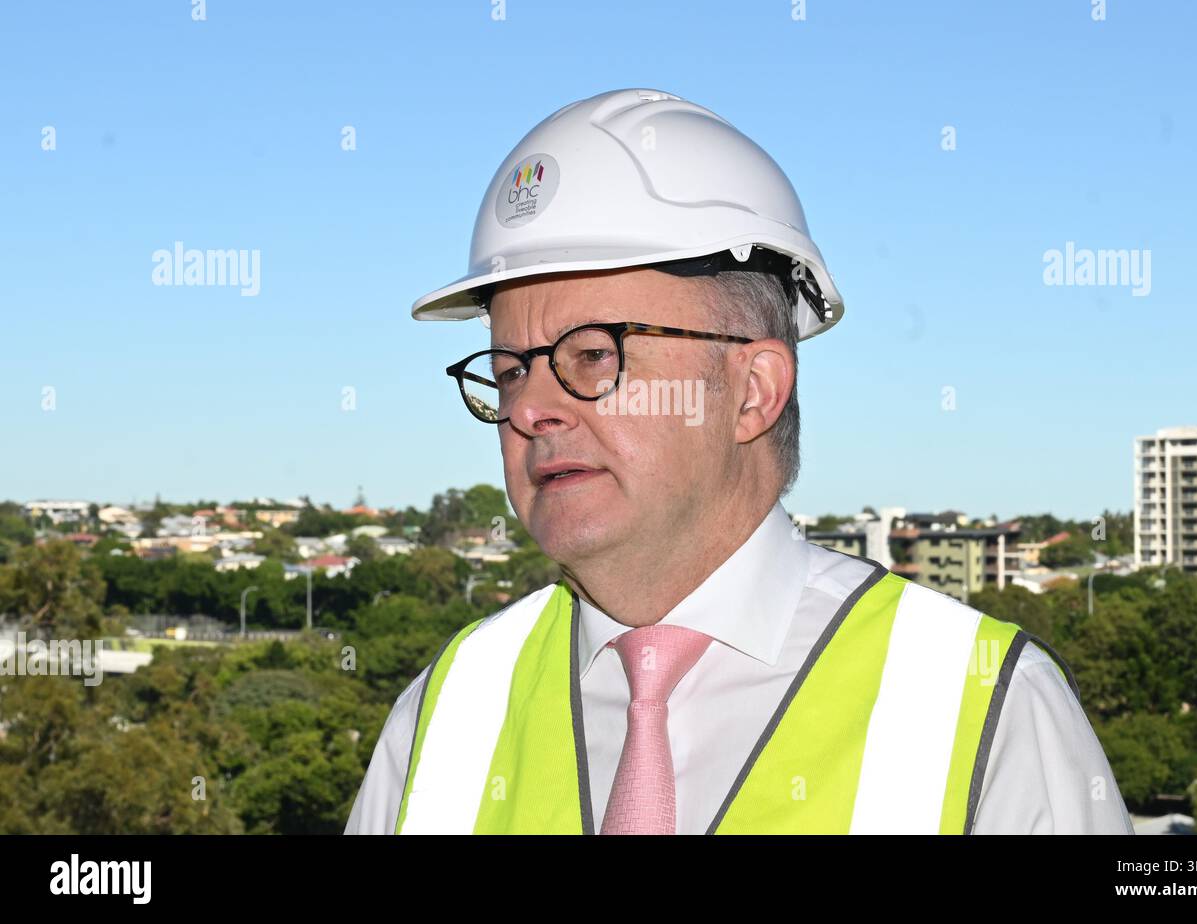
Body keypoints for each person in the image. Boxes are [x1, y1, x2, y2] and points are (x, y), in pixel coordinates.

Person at [344, 88, 1133, 835]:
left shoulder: (985, 707)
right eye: (511, 368)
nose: (529, 408)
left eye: (591, 355)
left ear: (753, 391)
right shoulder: (448, 711)